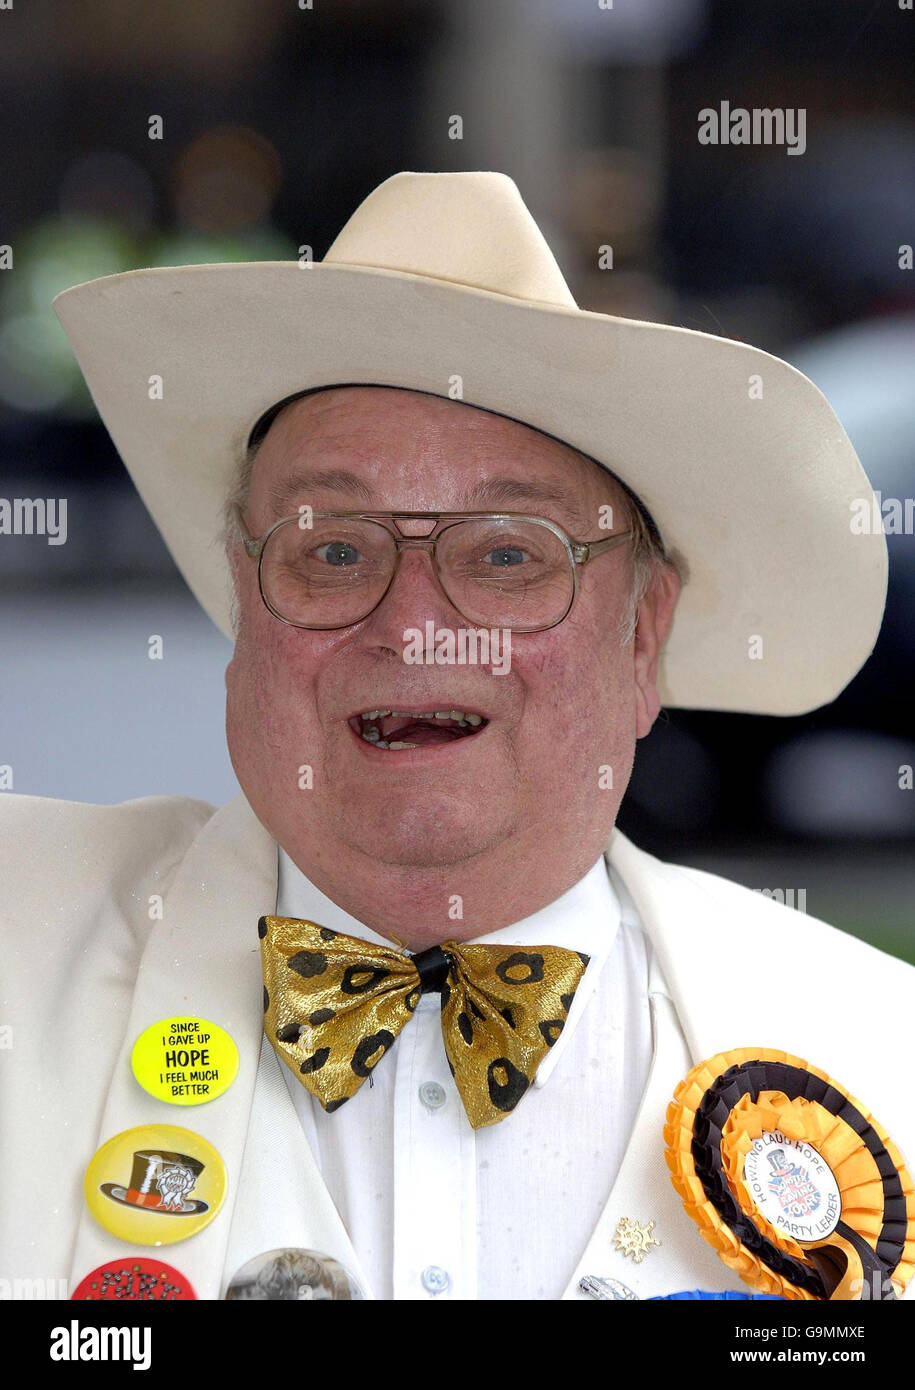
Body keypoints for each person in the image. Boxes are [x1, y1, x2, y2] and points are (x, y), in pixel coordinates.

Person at [2, 171, 912, 1303]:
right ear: (245, 604)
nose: (415, 627)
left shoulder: (887, 1049)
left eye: (506, 553)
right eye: (333, 548)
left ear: (645, 633)